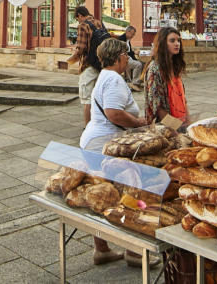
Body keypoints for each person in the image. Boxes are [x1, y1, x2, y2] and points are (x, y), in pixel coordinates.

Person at [80, 36, 147, 267]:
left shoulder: (104, 77)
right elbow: (113, 113)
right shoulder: (115, 80)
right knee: (126, 194)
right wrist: (138, 124)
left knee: (102, 196)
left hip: (95, 141)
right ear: (119, 58)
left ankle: (102, 249)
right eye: (126, 55)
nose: (128, 58)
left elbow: (92, 108)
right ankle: (134, 252)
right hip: (106, 144)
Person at [68, 5, 107, 124]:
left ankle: (88, 127)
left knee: (87, 99)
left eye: (77, 18)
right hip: (101, 64)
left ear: (79, 15)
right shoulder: (98, 22)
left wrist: (72, 58)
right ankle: (100, 122)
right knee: (99, 96)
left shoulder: (82, 26)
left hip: (88, 65)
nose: (78, 21)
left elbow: (81, 48)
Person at [144, 27, 188, 127]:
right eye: (172, 41)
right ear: (163, 43)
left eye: (178, 40)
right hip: (164, 127)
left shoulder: (174, 66)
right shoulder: (155, 69)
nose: (177, 44)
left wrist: (187, 122)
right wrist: (175, 127)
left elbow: (183, 98)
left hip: (180, 122)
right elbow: (157, 107)